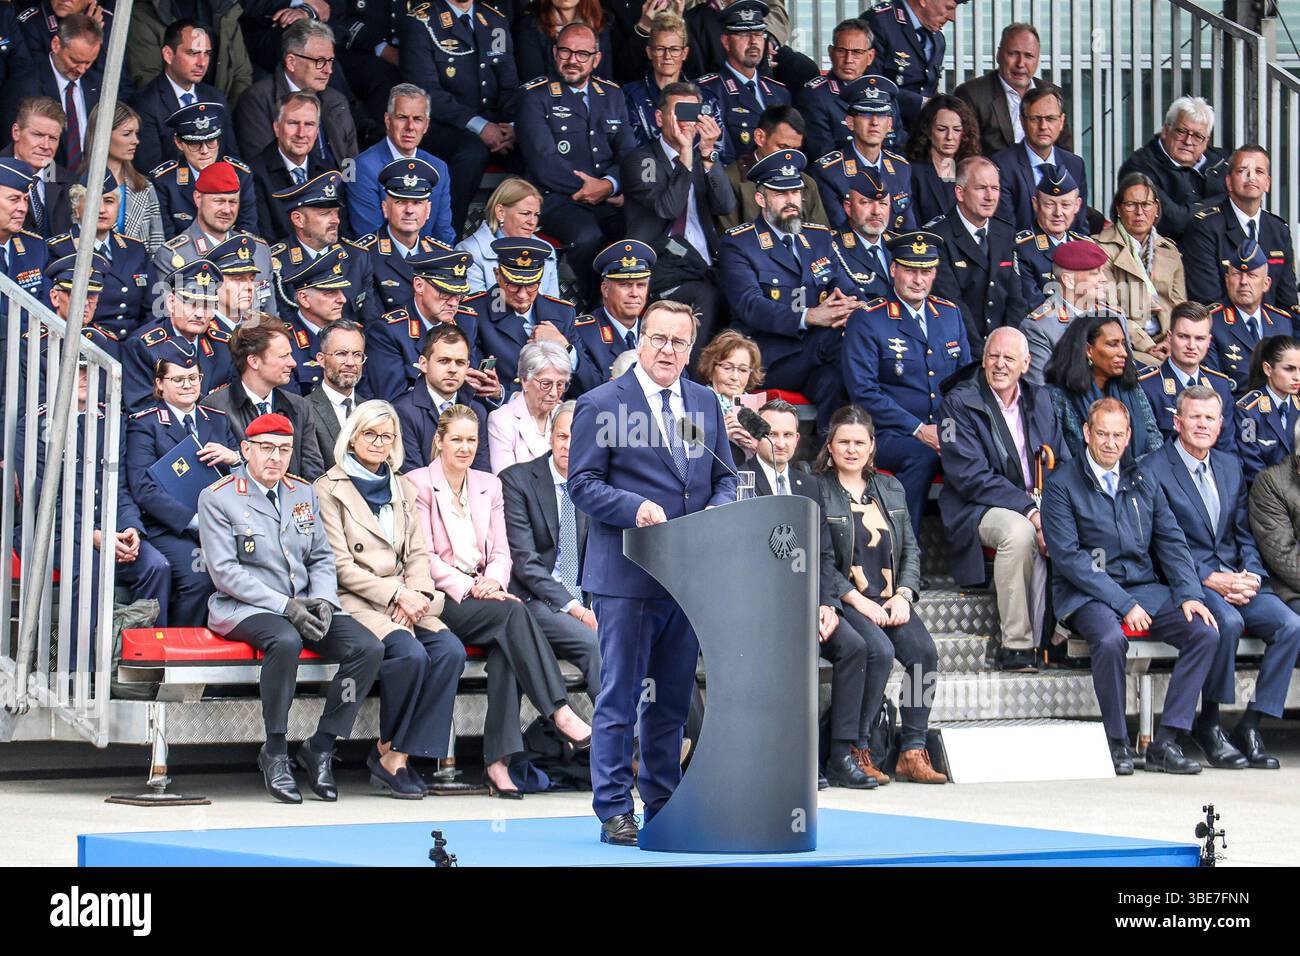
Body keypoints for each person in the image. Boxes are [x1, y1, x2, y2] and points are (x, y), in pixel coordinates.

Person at [567, 299, 737, 845]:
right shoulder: (601, 402)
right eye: (659, 339)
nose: (668, 350)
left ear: (691, 349)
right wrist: (633, 508)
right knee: (620, 697)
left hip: (687, 578)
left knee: (672, 698)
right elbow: (584, 483)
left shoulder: (705, 402)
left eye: (679, 342)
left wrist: (717, 509)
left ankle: (664, 800)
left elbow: (724, 476)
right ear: (640, 340)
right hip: (626, 575)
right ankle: (614, 807)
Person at [198, 412, 383, 803]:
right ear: (245, 450)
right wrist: (287, 606)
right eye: (266, 448)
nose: (276, 457)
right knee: (284, 640)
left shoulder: (303, 492)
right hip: (245, 606)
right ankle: (276, 749)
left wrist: (325, 601)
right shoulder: (219, 496)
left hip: (304, 601)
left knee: (367, 648)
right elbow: (225, 573)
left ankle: (321, 745)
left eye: (284, 449)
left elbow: (320, 557)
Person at [409, 404, 593, 797]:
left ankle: (498, 762)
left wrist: (492, 580)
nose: (464, 447)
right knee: (514, 613)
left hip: (489, 594)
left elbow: (503, 552)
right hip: (445, 595)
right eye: (455, 439)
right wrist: (472, 586)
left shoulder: (488, 484)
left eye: (471, 440)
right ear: (439, 441)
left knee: (507, 651)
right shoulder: (417, 484)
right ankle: (559, 711)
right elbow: (423, 557)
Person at [1041, 397, 1220, 775]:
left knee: (1204, 631)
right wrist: (1123, 603)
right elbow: (1071, 558)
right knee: (1109, 640)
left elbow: (1171, 540)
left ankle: (1166, 742)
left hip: (1144, 588)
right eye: (1102, 433)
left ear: (1128, 438)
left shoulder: (1142, 477)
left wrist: (1189, 593)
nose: (1109, 443)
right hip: (1086, 592)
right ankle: (1117, 740)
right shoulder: (1062, 484)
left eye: (1117, 435)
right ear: (1087, 433)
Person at [314, 400, 469, 798]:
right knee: (410, 655)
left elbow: (418, 552)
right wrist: (397, 593)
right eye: (370, 434)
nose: (379, 443)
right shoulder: (328, 488)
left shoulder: (402, 486)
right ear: (352, 438)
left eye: (387, 436)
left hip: (408, 599)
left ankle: (396, 753)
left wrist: (415, 595)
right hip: (361, 601)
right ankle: (391, 755)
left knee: (450, 650)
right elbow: (340, 566)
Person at [1141, 386, 1300, 770]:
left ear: (1220, 425)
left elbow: (1245, 532)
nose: (1201, 425)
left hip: (1236, 576)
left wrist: (1253, 577)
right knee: (1226, 622)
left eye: (1209, 418)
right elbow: (1158, 546)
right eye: (1194, 417)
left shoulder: (1229, 466)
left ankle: (1252, 723)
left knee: (1290, 624)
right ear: (1176, 422)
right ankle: (1210, 723)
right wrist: (1210, 580)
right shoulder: (1153, 468)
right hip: (1192, 580)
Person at [815, 404, 946, 783]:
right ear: (830, 445)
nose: (852, 449)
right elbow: (822, 559)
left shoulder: (890, 487)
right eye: (844, 442)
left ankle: (913, 749)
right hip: (850, 600)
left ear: (873, 447)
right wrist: (854, 599)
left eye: (860, 442)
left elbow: (911, 549)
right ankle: (860, 746)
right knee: (879, 651)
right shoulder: (819, 490)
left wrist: (905, 593)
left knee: (924, 654)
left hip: (889, 598)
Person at [15, 359, 171, 647]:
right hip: (53, 531)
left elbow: (120, 487)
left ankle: (143, 665)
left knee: (156, 567)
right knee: (90, 568)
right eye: (77, 369)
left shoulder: (111, 419)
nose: (84, 377)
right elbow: (41, 499)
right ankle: (77, 672)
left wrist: (130, 528)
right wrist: (92, 535)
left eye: (89, 370)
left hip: (107, 528)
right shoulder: (35, 423)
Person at [938, 326, 1062, 671]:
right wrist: (1032, 513)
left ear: (1026, 363)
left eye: (1009, 358)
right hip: (977, 506)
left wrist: (1051, 512)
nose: (1000, 364)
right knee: (1018, 533)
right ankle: (1017, 645)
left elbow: (1061, 460)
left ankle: (1062, 636)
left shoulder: (1042, 399)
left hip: (1038, 503)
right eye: (993, 356)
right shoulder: (959, 403)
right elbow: (970, 477)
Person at [717, 148, 860, 435]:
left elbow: (848, 288)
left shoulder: (818, 237)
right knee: (844, 343)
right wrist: (809, 316)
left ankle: (830, 455)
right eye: (781, 194)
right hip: (768, 358)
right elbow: (750, 305)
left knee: (834, 379)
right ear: (761, 199)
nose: (792, 201)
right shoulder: (739, 243)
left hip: (815, 358)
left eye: (796, 192)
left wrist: (851, 307)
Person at [843, 230, 968, 538]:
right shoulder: (870, 318)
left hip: (943, 428)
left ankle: (973, 559)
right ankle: (903, 552)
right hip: (888, 433)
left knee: (981, 453)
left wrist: (949, 429)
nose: (918, 279)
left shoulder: (950, 314)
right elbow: (863, 392)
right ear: (893, 270)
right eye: (910, 270)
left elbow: (965, 382)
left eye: (926, 271)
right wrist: (918, 429)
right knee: (920, 456)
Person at [517, 22, 636, 303]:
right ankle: (593, 304)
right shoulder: (534, 96)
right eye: (566, 52)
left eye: (582, 54)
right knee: (587, 237)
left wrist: (609, 185)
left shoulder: (612, 94)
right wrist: (595, 188)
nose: (573, 60)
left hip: (607, 198)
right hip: (557, 199)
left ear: (596, 59)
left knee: (637, 233)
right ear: (554, 52)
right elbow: (544, 162)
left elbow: (629, 154)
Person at [125, 356, 240, 627]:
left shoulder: (217, 420)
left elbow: (246, 475)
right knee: (200, 579)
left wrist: (234, 458)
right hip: (168, 527)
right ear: (159, 384)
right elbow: (143, 488)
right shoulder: (146, 424)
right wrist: (197, 521)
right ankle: (181, 655)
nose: (188, 385)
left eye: (194, 378)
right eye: (178, 379)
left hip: (221, 525)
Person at [499, 399, 602, 699]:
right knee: (596, 644)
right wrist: (577, 610)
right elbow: (525, 561)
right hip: (538, 600)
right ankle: (628, 742)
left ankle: (664, 735)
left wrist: (595, 605)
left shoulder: (594, 485)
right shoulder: (517, 481)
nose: (569, 445)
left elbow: (599, 554)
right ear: (550, 437)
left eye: (578, 437)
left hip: (588, 601)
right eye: (562, 436)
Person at [620, 82, 731, 350]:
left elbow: (725, 204)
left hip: (703, 260)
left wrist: (706, 155)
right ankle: (690, 378)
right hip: (659, 264)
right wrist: (684, 156)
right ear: (659, 118)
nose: (687, 123)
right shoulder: (642, 159)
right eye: (680, 113)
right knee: (706, 295)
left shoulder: (700, 156)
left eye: (692, 114)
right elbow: (668, 208)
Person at [398, 0, 520, 239]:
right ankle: (446, 240)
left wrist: (514, 127)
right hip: (444, 125)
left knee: (535, 147)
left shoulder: (495, 20)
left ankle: (524, 244)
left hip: (496, 126)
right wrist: (481, 126)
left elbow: (509, 86)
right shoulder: (421, 21)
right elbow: (425, 92)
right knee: (471, 153)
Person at [463, 237, 598, 396]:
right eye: (513, 284)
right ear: (498, 275)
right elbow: (476, 386)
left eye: (531, 285)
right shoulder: (475, 313)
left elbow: (591, 386)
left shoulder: (562, 313)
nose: (522, 294)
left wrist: (564, 346)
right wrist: (504, 395)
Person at [367, 247, 499, 403]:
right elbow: (392, 399)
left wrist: (492, 391)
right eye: (444, 293)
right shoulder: (389, 331)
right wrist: (458, 386)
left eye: (458, 295)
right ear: (419, 285)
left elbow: (473, 386)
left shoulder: (466, 321)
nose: (452, 303)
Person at [200, 319, 327, 480]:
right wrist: (238, 459)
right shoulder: (214, 408)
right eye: (284, 356)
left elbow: (313, 473)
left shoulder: (299, 406)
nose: (293, 363)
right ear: (254, 361)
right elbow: (218, 476)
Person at [146, 160, 275, 316]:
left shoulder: (259, 250)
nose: (227, 210)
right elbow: (170, 317)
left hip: (253, 337)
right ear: (198, 198)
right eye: (219, 201)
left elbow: (270, 316)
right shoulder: (174, 255)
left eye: (233, 202)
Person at [927, 155, 1024, 358]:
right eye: (981, 188)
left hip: (1001, 353)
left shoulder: (1005, 232)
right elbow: (952, 303)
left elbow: (1015, 298)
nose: (990, 196)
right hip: (960, 351)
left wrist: (1005, 348)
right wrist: (983, 354)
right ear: (960, 193)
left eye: (995, 188)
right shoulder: (938, 237)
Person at [232, 20, 358, 173]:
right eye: (320, 61)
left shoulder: (336, 100)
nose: (329, 70)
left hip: (337, 192)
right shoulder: (257, 100)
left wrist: (350, 192)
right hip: (289, 194)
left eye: (330, 61)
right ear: (291, 62)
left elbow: (350, 161)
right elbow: (263, 171)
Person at [1182, 145, 1298, 312]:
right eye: (1243, 170)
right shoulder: (1204, 228)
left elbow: (1287, 302)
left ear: (1267, 183)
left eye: (1259, 171)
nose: (1251, 177)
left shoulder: (1279, 230)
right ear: (1228, 182)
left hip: (1274, 332)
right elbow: (1209, 303)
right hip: (1225, 333)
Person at [1045, 312, 1162, 468]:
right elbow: (1062, 460)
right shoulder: (1056, 397)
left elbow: (1155, 443)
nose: (1124, 352)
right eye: (1112, 344)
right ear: (1088, 350)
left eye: (1123, 343)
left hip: (1142, 483)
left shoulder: (1131, 387)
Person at [1095, 171, 1186, 367]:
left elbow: (1180, 307)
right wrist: (1146, 345)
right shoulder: (1101, 249)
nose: (1139, 212)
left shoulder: (1169, 250)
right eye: (1130, 205)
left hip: (1167, 342)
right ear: (1118, 208)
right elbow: (1110, 310)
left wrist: (1174, 341)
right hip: (1126, 344)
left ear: (1157, 209)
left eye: (1146, 205)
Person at [46, 169, 151, 340]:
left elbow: (152, 308)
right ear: (76, 209)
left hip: (134, 346)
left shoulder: (135, 249)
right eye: (93, 201)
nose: (102, 209)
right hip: (86, 344)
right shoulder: (57, 249)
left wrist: (139, 345)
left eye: (109, 201)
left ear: (118, 207)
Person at [345, 84, 454, 246]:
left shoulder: (439, 167)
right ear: (388, 121)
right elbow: (369, 236)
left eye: (417, 119)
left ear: (426, 125)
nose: (410, 127)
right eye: (402, 117)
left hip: (429, 264)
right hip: (382, 266)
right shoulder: (360, 166)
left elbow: (443, 233)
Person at [122, 259, 235, 411]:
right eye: (192, 304)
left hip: (216, 431)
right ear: (171, 302)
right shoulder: (142, 346)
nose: (200, 314)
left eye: (207, 305)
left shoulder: (223, 343)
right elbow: (142, 409)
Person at [1117, 96, 1230, 246]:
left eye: (1197, 136)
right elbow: (1174, 221)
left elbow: (1245, 206)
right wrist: (1226, 201)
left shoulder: (1223, 160)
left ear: (1206, 141)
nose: (1188, 141)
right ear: (1166, 130)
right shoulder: (1139, 166)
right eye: (1182, 131)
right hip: (1167, 254)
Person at [269, 170, 375, 327]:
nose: (336, 220)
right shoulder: (277, 263)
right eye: (325, 214)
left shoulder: (357, 256)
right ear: (298, 220)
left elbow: (370, 320)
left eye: (336, 213)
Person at [952, 22, 1073, 156]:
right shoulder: (972, 94)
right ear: (998, 55)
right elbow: (965, 155)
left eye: (1028, 56)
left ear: (1037, 60)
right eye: (1013, 54)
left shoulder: (1053, 94)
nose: (1020, 64)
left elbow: (1065, 153)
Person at [0, 14, 104, 170]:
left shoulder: (99, 84)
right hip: (45, 182)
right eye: (75, 60)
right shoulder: (24, 86)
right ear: (56, 44)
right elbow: (11, 146)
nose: (82, 70)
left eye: (88, 62)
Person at [356, 157, 456, 320]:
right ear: (385, 209)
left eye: (417, 203)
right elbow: (370, 321)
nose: (409, 210)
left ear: (428, 210)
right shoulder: (363, 254)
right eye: (400, 202)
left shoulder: (443, 254)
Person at [696, 0, 792, 168]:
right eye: (743, 34)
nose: (753, 41)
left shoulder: (780, 92)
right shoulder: (707, 91)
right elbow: (717, 158)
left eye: (758, 33)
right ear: (726, 42)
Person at [812, 75, 913, 233]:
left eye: (881, 115)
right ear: (850, 122)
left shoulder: (901, 168)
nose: (874, 122)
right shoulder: (828, 171)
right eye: (866, 114)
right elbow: (840, 231)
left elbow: (908, 228)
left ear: (890, 124)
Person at [130, 21, 232, 177]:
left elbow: (230, 156)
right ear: (168, 55)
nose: (202, 63)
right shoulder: (145, 103)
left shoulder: (215, 98)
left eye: (207, 54)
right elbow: (151, 171)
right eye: (193, 53)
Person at [150, 100, 258, 241]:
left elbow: (247, 229)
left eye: (211, 141)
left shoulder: (240, 175)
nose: (205, 151)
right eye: (195, 144)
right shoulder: (164, 181)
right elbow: (166, 239)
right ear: (178, 143)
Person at [1137, 302, 1237, 452]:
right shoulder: (1147, 386)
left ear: (1209, 341)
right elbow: (1146, 450)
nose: (1191, 345)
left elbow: (1227, 451)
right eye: (1183, 337)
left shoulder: (1220, 385)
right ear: (1169, 337)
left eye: (1199, 338)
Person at [1021, 238, 1121, 386]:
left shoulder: (1116, 317)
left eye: (1103, 271)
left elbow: (1125, 378)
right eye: (1095, 273)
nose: (1104, 279)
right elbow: (1041, 392)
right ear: (1069, 281)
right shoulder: (1039, 327)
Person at [990, 84, 1089, 235]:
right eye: (1035, 119)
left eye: (1050, 119)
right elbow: (1004, 229)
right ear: (1022, 121)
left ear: (1061, 121)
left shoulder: (1075, 165)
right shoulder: (1002, 166)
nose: (1043, 126)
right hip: (1021, 255)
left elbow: (1079, 227)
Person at [393, 324, 491, 473]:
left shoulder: (477, 410)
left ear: (468, 366)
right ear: (423, 364)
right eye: (444, 361)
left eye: (460, 362)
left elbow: (482, 472)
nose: (453, 369)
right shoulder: (402, 411)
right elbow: (413, 477)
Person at [717, 103, 829, 231]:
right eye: (782, 147)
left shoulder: (807, 183)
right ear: (760, 137)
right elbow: (730, 241)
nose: (789, 155)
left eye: (795, 149)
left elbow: (822, 239)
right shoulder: (731, 179)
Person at [1207, 239, 1296, 394]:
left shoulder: (1282, 322)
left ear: (1266, 284)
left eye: (1252, 275)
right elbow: (1214, 387)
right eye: (1237, 274)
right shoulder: (1211, 322)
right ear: (1227, 281)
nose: (1243, 282)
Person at [249, 93, 340, 244]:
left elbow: (339, 233)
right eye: (293, 123)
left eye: (309, 124)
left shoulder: (328, 172)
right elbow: (263, 239)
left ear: (317, 132)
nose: (301, 133)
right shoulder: (254, 174)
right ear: (277, 127)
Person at [126, 0, 254, 107]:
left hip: (221, 115)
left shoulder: (223, 6)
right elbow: (147, 80)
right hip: (169, 121)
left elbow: (241, 75)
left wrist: (223, 118)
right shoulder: (146, 13)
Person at [78, 102, 165, 253]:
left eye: (136, 133)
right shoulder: (78, 187)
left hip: (137, 274)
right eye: (127, 134)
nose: (135, 140)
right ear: (102, 135)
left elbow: (156, 247)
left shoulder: (145, 187)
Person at [456, 178, 561, 298]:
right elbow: (475, 310)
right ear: (500, 212)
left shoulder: (547, 250)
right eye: (525, 213)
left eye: (536, 215)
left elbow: (553, 308)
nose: (532, 222)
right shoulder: (469, 251)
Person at [794, 17, 877, 162]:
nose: (848, 59)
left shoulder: (883, 94)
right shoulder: (814, 97)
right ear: (831, 52)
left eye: (857, 52)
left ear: (870, 57)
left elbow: (897, 149)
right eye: (841, 51)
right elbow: (823, 158)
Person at [624, 11, 712, 148]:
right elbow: (631, 150)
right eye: (660, 49)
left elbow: (717, 150)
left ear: (684, 53)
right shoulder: (630, 96)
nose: (667, 56)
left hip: (696, 168)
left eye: (674, 49)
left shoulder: (706, 96)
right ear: (649, 52)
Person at [863, 0, 955, 130]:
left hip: (921, 135)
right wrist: (921, 104)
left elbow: (928, 88)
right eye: (948, 8)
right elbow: (870, 84)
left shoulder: (937, 39)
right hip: (883, 130)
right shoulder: (880, 22)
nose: (952, 17)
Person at [278, 244, 354, 395]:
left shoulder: (352, 334)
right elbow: (291, 404)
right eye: (330, 293)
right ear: (304, 299)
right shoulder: (284, 340)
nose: (342, 299)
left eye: (341, 291)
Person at [573, 240, 652, 383]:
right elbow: (587, 389)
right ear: (605, 289)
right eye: (625, 285)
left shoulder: (656, 332)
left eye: (641, 285)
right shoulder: (583, 334)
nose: (634, 293)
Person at [488, 341, 572, 473]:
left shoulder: (566, 417)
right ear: (525, 381)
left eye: (560, 384)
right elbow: (506, 482)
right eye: (546, 383)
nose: (554, 393)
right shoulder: (502, 420)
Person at [905, 93, 980, 227]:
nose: (949, 137)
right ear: (927, 130)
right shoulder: (912, 173)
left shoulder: (971, 171)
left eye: (957, 130)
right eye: (941, 129)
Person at [6, 96, 73, 239]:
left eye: (53, 138)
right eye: (37, 135)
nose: (45, 146)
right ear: (16, 132)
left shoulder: (70, 182)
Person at [1235, 335, 1300, 482]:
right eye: (1289, 369)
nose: (1297, 377)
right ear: (1268, 369)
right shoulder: (1248, 411)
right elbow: (1251, 466)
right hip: (1265, 497)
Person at [306, 319, 367, 471]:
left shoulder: (370, 409)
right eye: (341, 353)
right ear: (321, 359)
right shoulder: (304, 410)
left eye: (357, 354)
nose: (351, 362)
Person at [696, 328, 764, 464]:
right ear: (711, 368)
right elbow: (686, 453)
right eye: (727, 368)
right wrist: (721, 436)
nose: (735, 377)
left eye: (743, 370)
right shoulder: (695, 402)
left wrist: (758, 446)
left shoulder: (761, 409)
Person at [829, 168, 893, 300]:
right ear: (848, 207)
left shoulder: (899, 245)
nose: (876, 211)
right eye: (866, 202)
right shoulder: (831, 247)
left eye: (883, 204)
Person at [514, 0, 615, 83]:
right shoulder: (530, 27)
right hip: (549, 103)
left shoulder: (600, 24)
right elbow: (533, 82)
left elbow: (605, 78)